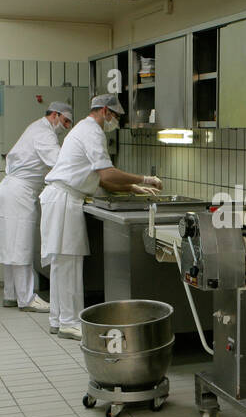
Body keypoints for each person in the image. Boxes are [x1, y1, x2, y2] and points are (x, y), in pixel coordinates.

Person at [39, 95, 161, 340]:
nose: (114, 121)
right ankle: (68, 322)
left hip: (62, 198)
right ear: (104, 111)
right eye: (114, 116)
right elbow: (107, 173)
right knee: (69, 264)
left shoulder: (83, 128)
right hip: (63, 200)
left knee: (62, 264)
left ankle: (58, 318)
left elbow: (102, 179)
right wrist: (143, 179)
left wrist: (131, 189)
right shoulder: (92, 131)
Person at [0, 101, 73, 312]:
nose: (66, 127)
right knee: (20, 245)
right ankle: (27, 299)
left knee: (11, 244)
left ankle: (11, 294)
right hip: (18, 192)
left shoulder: (37, 128)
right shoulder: (44, 133)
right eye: (65, 121)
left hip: (10, 191)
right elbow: (59, 164)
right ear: (55, 115)